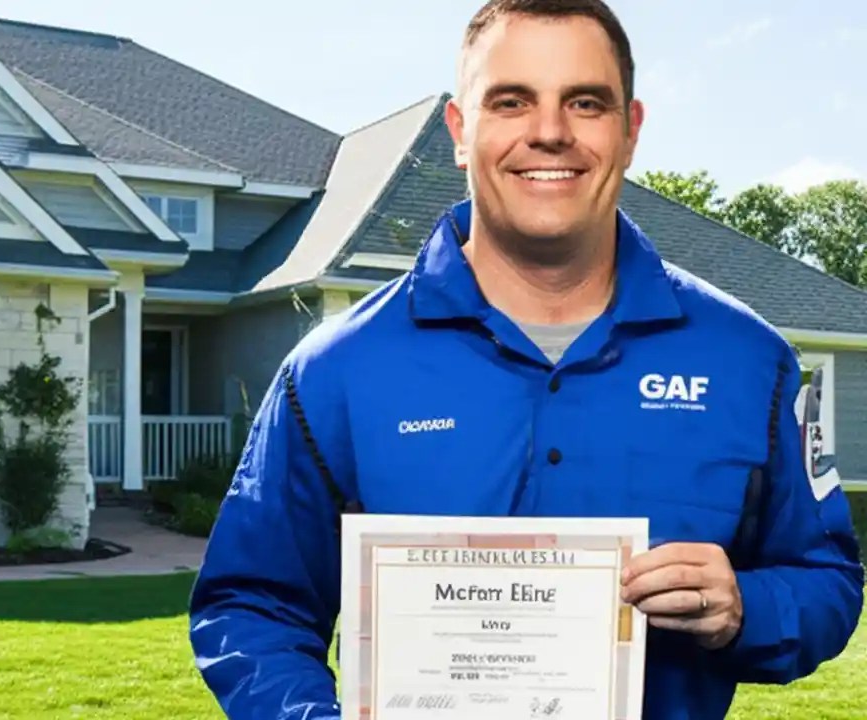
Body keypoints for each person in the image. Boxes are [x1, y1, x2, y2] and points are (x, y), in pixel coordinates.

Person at [187, 0, 864, 718]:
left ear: (629, 131)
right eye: (511, 101)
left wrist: (745, 607)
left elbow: (828, 580)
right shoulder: (332, 373)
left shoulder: (752, 363)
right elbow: (252, 607)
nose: (550, 133)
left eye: (585, 102)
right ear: (459, 130)